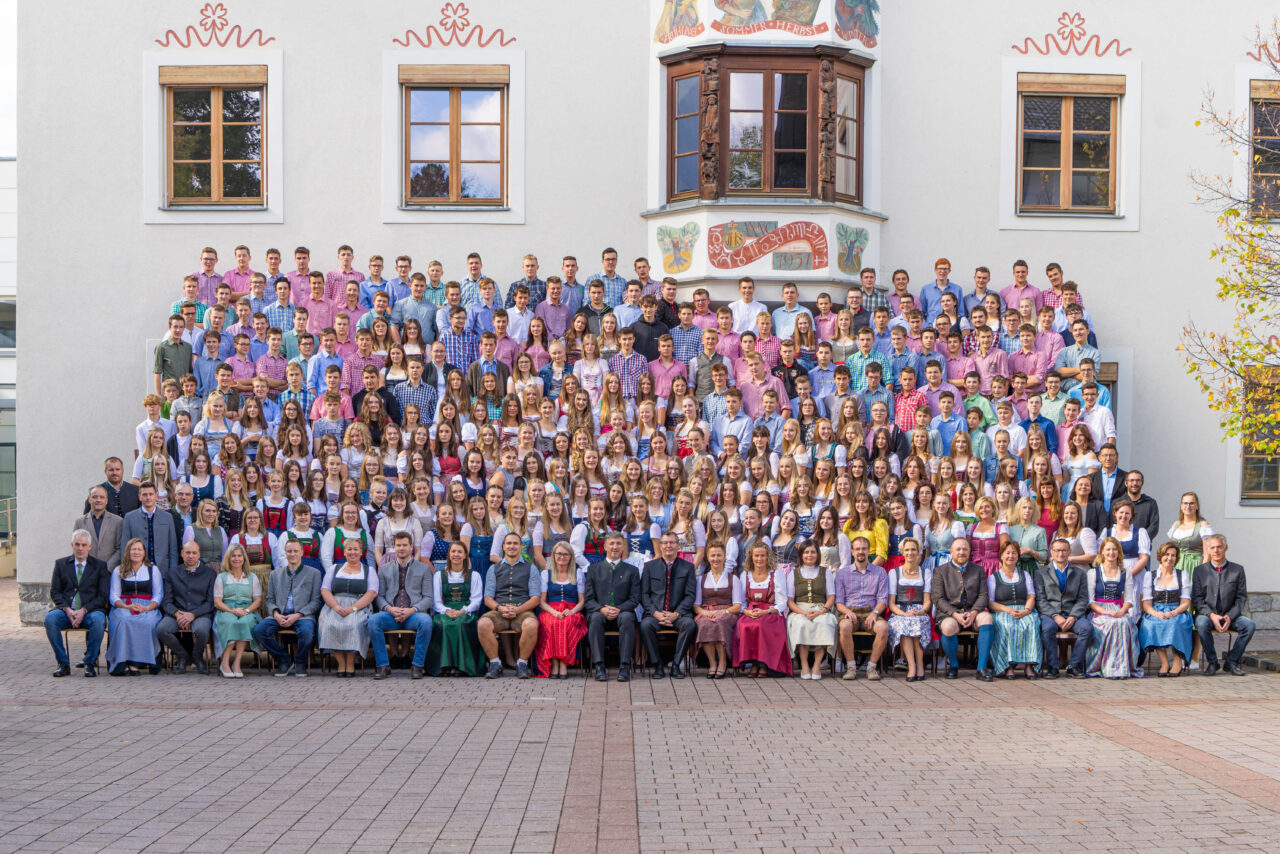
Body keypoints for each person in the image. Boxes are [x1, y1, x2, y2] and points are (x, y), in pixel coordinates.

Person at [253, 539, 323, 677]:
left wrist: (298, 615)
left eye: (296, 551)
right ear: (285, 553)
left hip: (302, 616)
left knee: (307, 633)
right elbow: (270, 600)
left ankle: (300, 662)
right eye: (289, 551)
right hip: (280, 615)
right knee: (259, 630)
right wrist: (276, 613)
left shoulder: (314, 573)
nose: (292, 554)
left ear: (302, 552)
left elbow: (315, 602)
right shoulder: (275, 574)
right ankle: (284, 659)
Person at [45, 530, 110, 678]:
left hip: (90, 611)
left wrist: (84, 610)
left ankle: (89, 663)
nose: (80, 548)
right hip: (66, 611)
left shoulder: (100, 566)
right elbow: (55, 591)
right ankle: (63, 663)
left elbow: (102, 596)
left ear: (90, 546)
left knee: (99, 620)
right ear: (72, 545)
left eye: (83, 545)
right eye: (77, 545)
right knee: (50, 619)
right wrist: (67, 609)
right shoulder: (61, 564)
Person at [370, 531, 435, 680]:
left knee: (426, 622)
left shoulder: (423, 569)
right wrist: (390, 609)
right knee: (373, 621)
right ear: (394, 547)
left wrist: (412, 610)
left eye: (405, 545)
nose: (401, 548)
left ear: (411, 546)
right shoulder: (384, 568)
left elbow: (428, 598)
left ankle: (417, 666)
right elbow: (379, 596)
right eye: (398, 545)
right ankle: (383, 666)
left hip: (413, 614)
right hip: (391, 614)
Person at [478, 532, 542, 679]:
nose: (512, 546)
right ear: (503, 547)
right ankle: (495, 663)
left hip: (523, 611)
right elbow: (487, 598)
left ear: (521, 547)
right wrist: (499, 608)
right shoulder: (494, 568)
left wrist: (518, 609)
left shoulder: (531, 568)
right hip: (499, 611)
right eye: (509, 543)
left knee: (532, 624)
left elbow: (535, 598)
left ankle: (522, 664)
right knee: (482, 624)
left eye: (515, 543)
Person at [931, 538, 995, 681]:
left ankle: (981, 668)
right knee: (948, 627)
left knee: (987, 618)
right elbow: (938, 598)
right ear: (951, 552)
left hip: (973, 611)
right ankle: (953, 665)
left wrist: (974, 613)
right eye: (958, 549)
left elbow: (983, 595)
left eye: (965, 549)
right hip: (949, 613)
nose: (962, 552)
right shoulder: (940, 571)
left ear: (969, 551)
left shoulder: (978, 570)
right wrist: (955, 614)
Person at [1192, 534, 1255, 676]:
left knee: (1249, 625)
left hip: (1230, 616)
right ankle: (1213, 663)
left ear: (1226, 548)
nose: (1216, 550)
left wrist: (1230, 616)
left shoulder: (1237, 570)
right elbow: (1197, 599)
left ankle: (1231, 662)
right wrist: (1211, 615)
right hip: (1208, 615)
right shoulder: (1199, 571)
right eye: (1212, 548)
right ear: (1208, 550)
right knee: (1201, 624)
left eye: (1219, 547)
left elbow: (1241, 598)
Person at [639, 531, 697, 679]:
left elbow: (690, 595)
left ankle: (676, 665)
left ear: (678, 546)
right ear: (660, 546)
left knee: (690, 625)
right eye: (665, 543)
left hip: (678, 614)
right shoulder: (649, 567)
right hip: (656, 614)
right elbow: (644, 594)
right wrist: (656, 613)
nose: (668, 546)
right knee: (645, 626)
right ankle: (657, 664)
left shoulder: (688, 567)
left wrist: (676, 614)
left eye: (672, 543)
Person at [585, 531, 641, 682]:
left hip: (622, 612)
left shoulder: (632, 571)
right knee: (595, 618)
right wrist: (602, 609)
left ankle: (624, 667)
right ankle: (599, 666)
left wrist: (620, 609)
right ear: (605, 547)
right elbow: (588, 599)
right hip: (600, 612)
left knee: (628, 617)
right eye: (612, 543)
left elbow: (635, 598)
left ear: (623, 547)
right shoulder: (593, 569)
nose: (615, 547)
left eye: (618, 544)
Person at [319, 536, 380, 676]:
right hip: (335, 605)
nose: (352, 552)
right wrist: (335, 607)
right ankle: (341, 663)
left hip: (358, 606)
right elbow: (325, 589)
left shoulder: (369, 570)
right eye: (349, 549)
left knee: (354, 625)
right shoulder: (335, 568)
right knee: (330, 624)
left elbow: (371, 593)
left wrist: (353, 608)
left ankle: (350, 663)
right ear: (344, 552)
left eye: (355, 549)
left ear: (361, 552)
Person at [106, 538, 166, 676]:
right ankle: (122, 662)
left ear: (144, 552)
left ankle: (137, 663)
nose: (136, 552)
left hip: (147, 607)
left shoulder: (153, 570)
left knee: (148, 621)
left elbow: (158, 595)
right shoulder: (118, 570)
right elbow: (113, 595)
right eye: (133, 549)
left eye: (139, 549)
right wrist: (126, 607)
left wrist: (147, 608)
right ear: (128, 552)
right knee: (124, 620)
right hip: (124, 606)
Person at [1034, 538, 1092, 678]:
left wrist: (1073, 616)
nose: (1061, 554)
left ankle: (1073, 665)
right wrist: (1054, 615)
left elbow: (1083, 598)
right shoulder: (1040, 573)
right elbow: (1040, 600)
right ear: (1052, 552)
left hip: (1072, 613)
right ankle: (1052, 667)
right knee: (1047, 629)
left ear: (1069, 552)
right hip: (1051, 614)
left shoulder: (1080, 573)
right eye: (1057, 550)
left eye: (1064, 550)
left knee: (1087, 629)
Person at [157, 540, 218, 675]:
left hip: (200, 613)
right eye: (188, 553)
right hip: (176, 613)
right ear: (182, 554)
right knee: (162, 629)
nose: (191, 556)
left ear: (199, 555)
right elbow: (166, 601)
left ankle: (197, 657)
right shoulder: (172, 573)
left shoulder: (210, 574)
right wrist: (177, 614)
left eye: (194, 553)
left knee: (202, 631)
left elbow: (210, 602)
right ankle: (183, 656)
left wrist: (193, 615)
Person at [734, 541, 793, 677]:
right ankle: (754, 663)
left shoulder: (775, 574)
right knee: (743, 625)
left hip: (770, 612)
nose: (759, 559)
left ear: (768, 557)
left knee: (761, 625)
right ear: (751, 558)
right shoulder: (745, 575)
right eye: (756, 556)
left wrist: (766, 611)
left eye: (762, 556)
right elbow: (741, 601)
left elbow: (782, 603)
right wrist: (746, 611)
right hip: (751, 611)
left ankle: (764, 664)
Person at [834, 536, 889, 681]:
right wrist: (847, 612)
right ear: (852, 552)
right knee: (844, 626)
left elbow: (883, 599)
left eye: (864, 548)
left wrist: (875, 613)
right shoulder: (842, 573)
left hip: (871, 611)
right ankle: (851, 667)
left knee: (883, 628)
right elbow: (838, 602)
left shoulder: (880, 572)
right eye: (857, 549)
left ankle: (872, 667)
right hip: (850, 611)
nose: (861, 552)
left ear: (869, 551)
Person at [428, 542, 486, 676]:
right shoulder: (439, 575)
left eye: (460, 552)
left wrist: (463, 611)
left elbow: (476, 601)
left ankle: (463, 666)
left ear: (465, 555)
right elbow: (436, 601)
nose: (456, 555)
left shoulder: (474, 575)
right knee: (442, 624)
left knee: (462, 624)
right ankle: (443, 666)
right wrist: (446, 611)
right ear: (449, 554)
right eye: (453, 551)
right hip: (446, 610)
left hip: (466, 611)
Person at [987, 540, 1042, 679]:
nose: (1010, 556)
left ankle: (1029, 665)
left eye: (1014, 553)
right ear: (1001, 556)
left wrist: (1027, 610)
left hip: (1024, 609)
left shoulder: (1025, 575)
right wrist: (1007, 610)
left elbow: (1031, 595)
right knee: (1007, 625)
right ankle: (1008, 665)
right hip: (1002, 611)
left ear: (1018, 557)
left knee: (1031, 624)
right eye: (1007, 553)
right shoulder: (994, 577)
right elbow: (991, 603)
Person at [1085, 537, 1139, 679]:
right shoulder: (1093, 573)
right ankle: (1106, 667)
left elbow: (1129, 599)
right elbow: (1090, 601)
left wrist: (1121, 611)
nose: (1111, 552)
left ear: (1119, 552)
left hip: (1118, 608)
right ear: (1102, 552)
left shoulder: (1125, 573)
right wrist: (1105, 611)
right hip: (1099, 610)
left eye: (1114, 549)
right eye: (1108, 549)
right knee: (1110, 624)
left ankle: (1121, 668)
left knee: (1123, 623)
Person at [785, 540, 838, 680]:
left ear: (818, 554)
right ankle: (804, 665)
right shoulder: (793, 574)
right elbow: (790, 601)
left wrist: (822, 611)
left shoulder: (825, 572)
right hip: (799, 609)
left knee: (824, 623)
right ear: (801, 555)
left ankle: (816, 665)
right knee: (801, 624)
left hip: (821, 609)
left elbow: (831, 597)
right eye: (806, 552)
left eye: (813, 552)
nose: (810, 555)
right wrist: (803, 613)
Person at [536, 541, 589, 679]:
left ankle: (563, 663)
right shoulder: (546, 574)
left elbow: (582, 601)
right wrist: (554, 612)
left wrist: (572, 612)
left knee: (566, 623)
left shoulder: (577, 573)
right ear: (553, 555)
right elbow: (541, 601)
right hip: (550, 610)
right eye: (559, 553)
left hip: (572, 610)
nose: (562, 557)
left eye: (566, 554)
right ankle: (554, 663)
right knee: (552, 623)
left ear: (571, 557)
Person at [1140, 543, 1193, 677]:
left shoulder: (1182, 575)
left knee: (1175, 624)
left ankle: (1177, 661)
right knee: (1152, 624)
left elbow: (1185, 602)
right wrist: (1156, 613)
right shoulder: (1149, 576)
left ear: (1176, 558)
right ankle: (1164, 662)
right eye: (1167, 554)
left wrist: (1173, 612)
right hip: (1156, 610)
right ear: (1161, 556)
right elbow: (1146, 604)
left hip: (1177, 610)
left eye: (1173, 555)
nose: (1169, 558)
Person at [885, 536, 932, 682]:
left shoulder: (926, 573)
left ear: (919, 553)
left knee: (918, 622)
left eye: (913, 550)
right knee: (904, 623)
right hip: (900, 611)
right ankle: (912, 666)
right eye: (907, 550)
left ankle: (920, 665)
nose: (910, 553)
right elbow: (891, 603)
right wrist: (905, 613)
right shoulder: (894, 573)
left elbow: (927, 601)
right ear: (902, 553)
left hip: (919, 610)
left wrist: (921, 611)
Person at [212, 544, 262, 677]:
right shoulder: (221, 577)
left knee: (245, 623)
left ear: (244, 558)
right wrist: (232, 611)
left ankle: (237, 663)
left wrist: (246, 610)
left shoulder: (251, 577)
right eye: (233, 556)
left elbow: (257, 600)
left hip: (247, 610)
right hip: (227, 609)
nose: (236, 559)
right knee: (231, 622)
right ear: (228, 559)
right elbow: (217, 602)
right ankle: (225, 662)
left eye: (239, 556)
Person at [693, 542, 742, 680]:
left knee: (719, 622)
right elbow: (696, 605)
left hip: (727, 612)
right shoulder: (701, 579)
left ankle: (722, 662)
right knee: (705, 623)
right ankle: (712, 663)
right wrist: (706, 613)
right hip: (707, 612)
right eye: (713, 555)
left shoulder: (733, 579)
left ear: (725, 556)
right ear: (708, 557)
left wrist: (723, 612)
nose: (716, 559)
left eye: (719, 555)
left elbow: (737, 606)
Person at [122, 482, 179, 574]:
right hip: (137, 569)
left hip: (163, 570)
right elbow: (125, 546)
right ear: (139, 497)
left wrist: (173, 571)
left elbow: (173, 548)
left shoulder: (167, 517)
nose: (148, 498)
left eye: (151, 494)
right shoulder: (129, 517)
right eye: (144, 494)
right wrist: (126, 569)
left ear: (156, 496)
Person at [75, 485, 124, 570]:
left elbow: (120, 549)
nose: (98, 500)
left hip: (109, 572)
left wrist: (106, 568)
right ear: (89, 499)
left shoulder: (118, 521)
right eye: (94, 497)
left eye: (102, 497)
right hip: (86, 571)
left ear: (106, 501)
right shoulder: (79, 522)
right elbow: (76, 547)